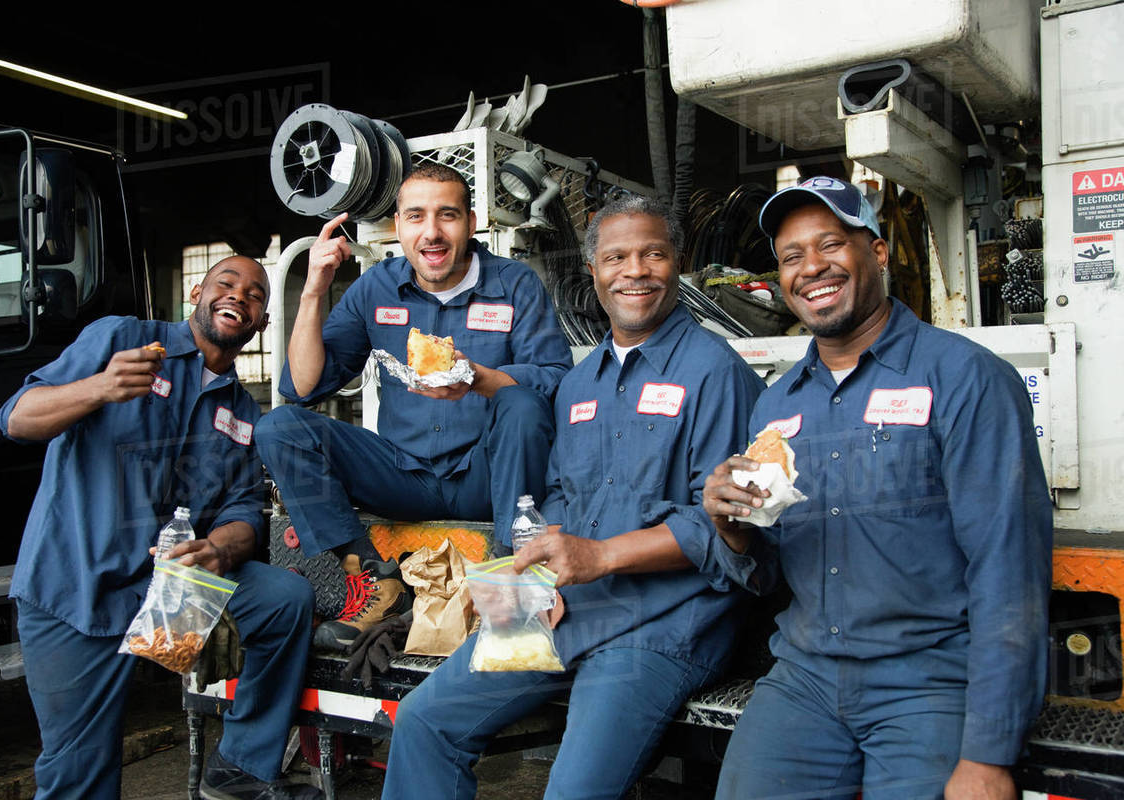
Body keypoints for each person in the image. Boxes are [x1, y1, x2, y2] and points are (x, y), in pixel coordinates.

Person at [381, 195, 766, 799]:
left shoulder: (716, 373)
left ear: (678, 262)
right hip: (566, 612)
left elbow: (722, 530)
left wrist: (602, 557)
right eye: (616, 257)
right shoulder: (579, 383)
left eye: (652, 254)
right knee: (426, 722)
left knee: (573, 792)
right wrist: (533, 582)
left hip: (661, 627)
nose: (633, 271)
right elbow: (559, 494)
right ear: (594, 272)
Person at [704, 176, 1052, 800]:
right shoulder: (776, 407)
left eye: (830, 244)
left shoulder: (967, 379)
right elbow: (773, 572)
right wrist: (730, 529)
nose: (812, 268)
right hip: (806, 677)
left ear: (879, 250)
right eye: (791, 257)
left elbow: (1010, 569)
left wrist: (989, 755)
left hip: (929, 679)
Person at [0, 256, 320, 800]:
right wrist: (98, 388)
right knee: (80, 775)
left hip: (174, 595)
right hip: (78, 589)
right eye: (227, 283)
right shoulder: (122, 339)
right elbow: (16, 417)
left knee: (284, 598)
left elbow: (245, 512)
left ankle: (238, 768)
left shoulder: (242, 411)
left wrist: (219, 549)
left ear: (263, 322)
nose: (240, 296)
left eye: (256, 295)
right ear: (198, 291)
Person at [255, 163, 572, 649]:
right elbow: (303, 385)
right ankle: (375, 580)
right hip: (402, 475)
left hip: (485, 480)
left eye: (447, 215)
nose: (432, 231)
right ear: (397, 226)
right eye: (416, 216)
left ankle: (513, 576)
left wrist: (478, 380)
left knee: (522, 404)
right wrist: (315, 287)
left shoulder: (515, 284)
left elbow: (555, 381)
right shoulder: (376, 288)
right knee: (280, 428)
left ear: (470, 222)